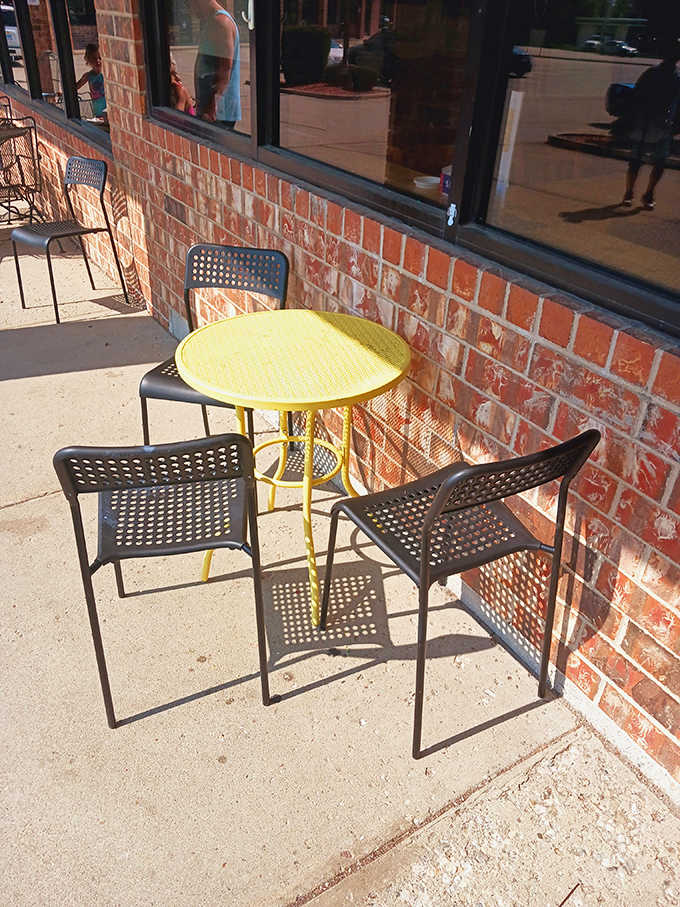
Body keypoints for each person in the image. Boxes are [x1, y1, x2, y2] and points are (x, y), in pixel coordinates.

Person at [619, 39, 680, 210]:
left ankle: (648, 193)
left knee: (659, 162)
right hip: (645, 123)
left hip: (665, 126)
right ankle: (630, 193)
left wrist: (677, 125)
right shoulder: (652, 73)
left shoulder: (677, 77)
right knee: (637, 161)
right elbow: (636, 97)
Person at [190, 0, 241, 128]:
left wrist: (211, 108)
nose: (190, 9)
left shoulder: (221, 23)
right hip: (212, 110)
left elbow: (225, 69)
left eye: (189, 3)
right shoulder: (213, 21)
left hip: (218, 114)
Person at [75, 44, 106, 119]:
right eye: (94, 59)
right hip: (98, 111)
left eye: (99, 58)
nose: (97, 61)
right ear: (88, 61)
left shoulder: (105, 74)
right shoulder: (88, 76)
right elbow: (75, 87)